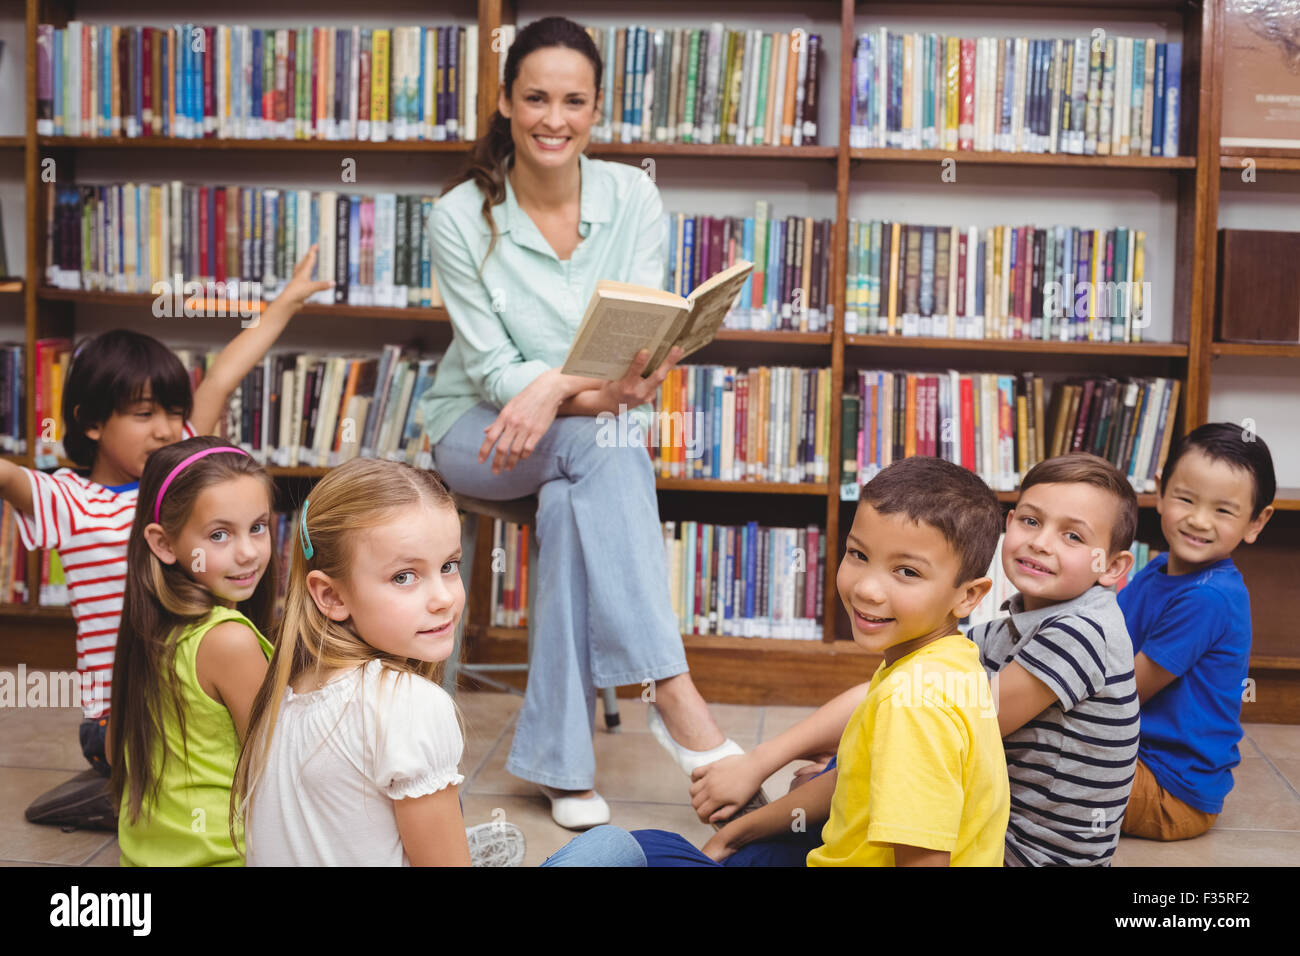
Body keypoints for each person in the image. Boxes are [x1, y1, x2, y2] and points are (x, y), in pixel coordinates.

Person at [419, 16, 735, 828]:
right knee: (604, 440)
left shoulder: (632, 195)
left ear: (596, 109)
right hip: (476, 431)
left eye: (572, 100)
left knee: (576, 485)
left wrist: (560, 389)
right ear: (505, 102)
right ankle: (676, 694)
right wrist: (574, 391)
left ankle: (560, 764)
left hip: (579, 430)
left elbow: (634, 350)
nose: (552, 119)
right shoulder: (457, 216)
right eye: (534, 98)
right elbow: (491, 371)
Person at [545, 456, 1011, 865]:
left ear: (969, 596)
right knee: (679, 846)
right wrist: (739, 829)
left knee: (620, 850)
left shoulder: (915, 706)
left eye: (906, 572)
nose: (867, 588)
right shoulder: (948, 663)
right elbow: (860, 781)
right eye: (858, 555)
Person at [690, 453, 1143, 866]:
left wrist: (846, 776)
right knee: (860, 750)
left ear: (1115, 567)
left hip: (1021, 854)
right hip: (985, 816)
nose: (1041, 543)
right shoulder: (1015, 621)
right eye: (1030, 521)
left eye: (1072, 535)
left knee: (873, 754)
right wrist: (760, 762)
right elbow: (881, 694)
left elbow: (919, 711)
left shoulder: (1081, 632)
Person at [0, 248, 330, 786]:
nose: (165, 429)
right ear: (90, 424)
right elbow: (9, 478)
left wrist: (285, 305)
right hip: (120, 718)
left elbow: (222, 378)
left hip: (202, 687)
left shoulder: (180, 480)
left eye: (174, 414)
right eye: (144, 414)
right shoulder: (68, 499)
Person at [236, 459, 520, 866]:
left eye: (448, 566)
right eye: (404, 576)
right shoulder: (411, 704)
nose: (443, 598)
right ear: (331, 596)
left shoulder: (284, 688)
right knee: (623, 847)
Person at [110, 437, 278, 865]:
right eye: (219, 534)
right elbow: (278, 772)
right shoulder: (228, 640)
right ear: (164, 544)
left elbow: (115, 751)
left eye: (258, 527)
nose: (247, 552)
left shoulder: (146, 632)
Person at [1119, 423, 1275, 841]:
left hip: (1171, 792)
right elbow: (1104, 637)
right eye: (1185, 499)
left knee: (1028, 767)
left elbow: (1123, 693)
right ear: (1160, 491)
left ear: (1256, 521)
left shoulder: (1208, 598)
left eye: (1223, 510)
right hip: (1133, 756)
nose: (1198, 520)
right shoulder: (1156, 568)